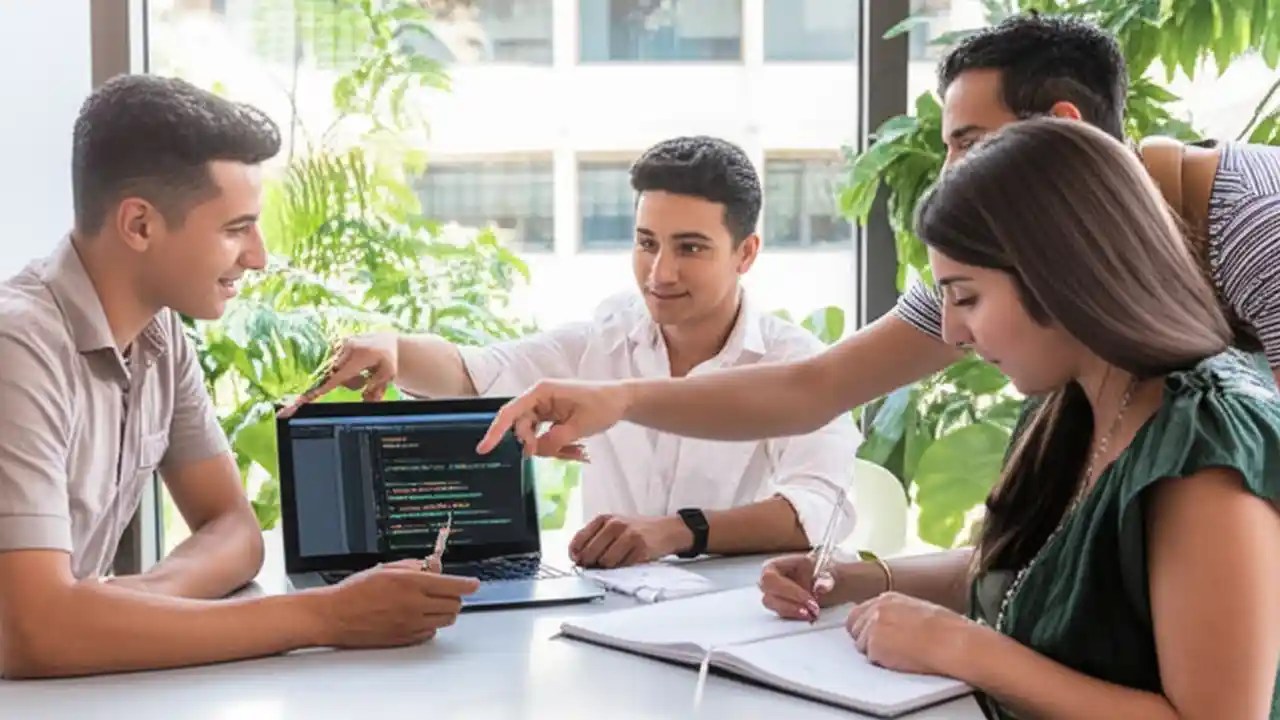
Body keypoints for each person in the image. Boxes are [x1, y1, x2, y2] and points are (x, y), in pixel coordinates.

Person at [553, 118, 1280, 716]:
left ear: (1060, 272)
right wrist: (857, 574)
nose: (955, 336)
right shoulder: (1081, 400)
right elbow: (1037, 571)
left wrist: (964, 648)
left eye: (966, 298)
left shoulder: (1205, 443)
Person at [468, 14, 1280, 482]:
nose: (950, 174)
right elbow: (817, 386)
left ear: (1060, 130)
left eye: (969, 143)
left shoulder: (1253, 224)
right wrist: (624, 399)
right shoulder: (1008, 263)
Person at [0, 74, 477, 680]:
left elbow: (235, 532)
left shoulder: (158, 334)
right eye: (235, 229)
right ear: (140, 225)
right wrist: (326, 617)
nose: (259, 256)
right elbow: (34, 632)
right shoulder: (18, 346)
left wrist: (127, 604)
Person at [281, 136, 859, 569]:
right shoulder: (605, 337)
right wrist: (396, 348)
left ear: (746, 253)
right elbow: (474, 374)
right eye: (646, 243)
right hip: (608, 613)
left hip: (738, 623)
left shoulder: (797, 365)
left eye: (690, 248)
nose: (660, 273)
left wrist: (677, 531)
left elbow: (817, 511)